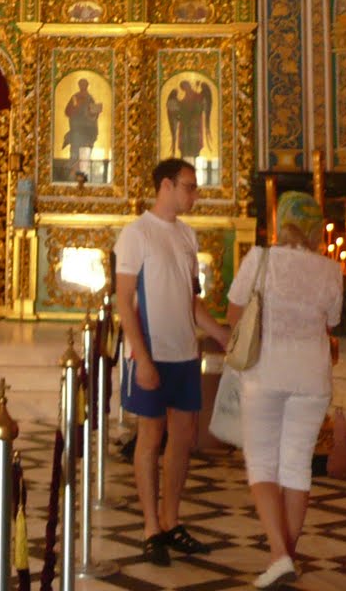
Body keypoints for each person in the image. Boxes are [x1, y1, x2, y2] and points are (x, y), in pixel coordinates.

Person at [114, 157, 230, 567]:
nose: (195, 194)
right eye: (189, 186)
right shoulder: (136, 234)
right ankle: (150, 527)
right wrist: (141, 358)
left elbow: (190, 300)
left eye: (195, 187)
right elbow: (124, 302)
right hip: (151, 351)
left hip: (184, 352)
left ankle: (171, 520)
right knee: (150, 438)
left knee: (183, 438)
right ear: (165, 185)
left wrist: (218, 333)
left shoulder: (187, 236)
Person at [225, 191, 344, 588]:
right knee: (296, 466)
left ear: (281, 221)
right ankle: (286, 558)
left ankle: (279, 555)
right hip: (313, 377)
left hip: (265, 371)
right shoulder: (331, 270)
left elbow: (233, 313)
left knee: (262, 464)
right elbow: (332, 319)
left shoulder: (260, 260)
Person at [62, 76, 102, 175]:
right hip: (77, 128)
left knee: (85, 150)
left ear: (87, 86)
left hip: (88, 130)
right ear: (79, 86)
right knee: (75, 149)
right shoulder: (75, 97)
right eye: (82, 85)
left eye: (85, 85)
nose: (83, 87)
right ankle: (72, 171)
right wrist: (77, 107)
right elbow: (68, 111)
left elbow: (93, 114)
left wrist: (95, 111)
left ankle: (82, 172)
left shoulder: (90, 98)